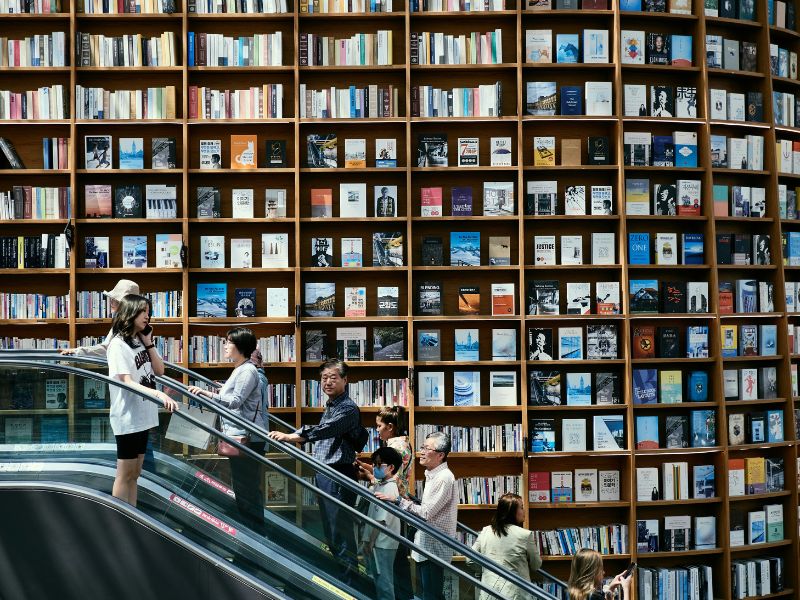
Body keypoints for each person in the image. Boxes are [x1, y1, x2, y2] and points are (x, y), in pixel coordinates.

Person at [267, 359, 362, 587]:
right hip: (326, 472)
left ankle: (350, 588)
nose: (327, 382)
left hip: (337, 474)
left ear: (345, 380)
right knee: (331, 534)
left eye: (333, 377)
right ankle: (343, 584)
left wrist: (292, 436)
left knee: (341, 535)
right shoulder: (331, 405)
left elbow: (325, 431)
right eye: (324, 378)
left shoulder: (347, 408)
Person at [188, 328, 266, 535]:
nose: (224, 346)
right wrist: (219, 390)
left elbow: (235, 401)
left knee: (246, 491)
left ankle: (254, 537)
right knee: (244, 490)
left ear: (240, 347)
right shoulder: (240, 369)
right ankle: (252, 535)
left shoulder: (247, 370)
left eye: (228, 342)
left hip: (247, 439)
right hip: (240, 437)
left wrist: (206, 393)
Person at [107, 294, 179, 507]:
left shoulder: (138, 340)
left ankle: (132, 515)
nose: (147, 316)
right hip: (128, 416)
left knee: (136, 472)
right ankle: (119, 522)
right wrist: (158, 394)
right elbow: (126, 381)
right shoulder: (118, 344)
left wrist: (148, 343)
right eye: (143, 311)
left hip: (143, 415)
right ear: (130, 312)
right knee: (125, 473)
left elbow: (159, 370)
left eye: (148, 311)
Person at [377, 431, 458, 600]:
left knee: (431, 595)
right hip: (427, 544)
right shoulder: (432, 475)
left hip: (434, 547)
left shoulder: (443, 478)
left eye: (427, 448)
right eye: (422, 447)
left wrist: (398, 500)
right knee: (429, 593)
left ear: (440, 455)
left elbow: (426, 513)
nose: (421, 451)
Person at [356, 405, 413, 600]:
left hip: (391, 506)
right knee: (396, 567)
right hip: (397, 504)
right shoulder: (404, 444)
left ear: (390, 426)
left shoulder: (393, 448)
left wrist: (371, 478)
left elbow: (390, 482)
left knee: (390, 570)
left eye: (379, 426)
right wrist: (371, 472)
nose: (377, 429)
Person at [467, 492, 542, 600]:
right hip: (516, 594)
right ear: (512, 512)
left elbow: (469, 559)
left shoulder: (486, 531)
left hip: (489, 592)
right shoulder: (525, 535)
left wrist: (486, 571)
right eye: (521, 508)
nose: (524, 511)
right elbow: (536, 565)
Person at [360, 446, 403, 600]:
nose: (375, 468)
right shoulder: (381, 484)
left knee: (384, 583)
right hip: (376, 542)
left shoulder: (390, 488)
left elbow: (380, 519)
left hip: (381, 543)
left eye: (379, 465)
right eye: (374, 464)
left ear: (391, 467)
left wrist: (370, 542)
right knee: (379, 581)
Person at [61, 279, 140, 356]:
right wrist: (77, 351)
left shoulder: (137, 325)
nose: (111, 302)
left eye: (116, 300)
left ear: (126, 304)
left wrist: (78, 351)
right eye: (112, 298)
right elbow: (105, 348)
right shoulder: (120, 322)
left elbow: (105, 348)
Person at [567, 548, 632, 600]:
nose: (603, 572)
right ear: (592, 572)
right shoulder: (595, 596)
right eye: (601, 569)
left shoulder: (573, 593)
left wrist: (611, 589)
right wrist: (626, 589)